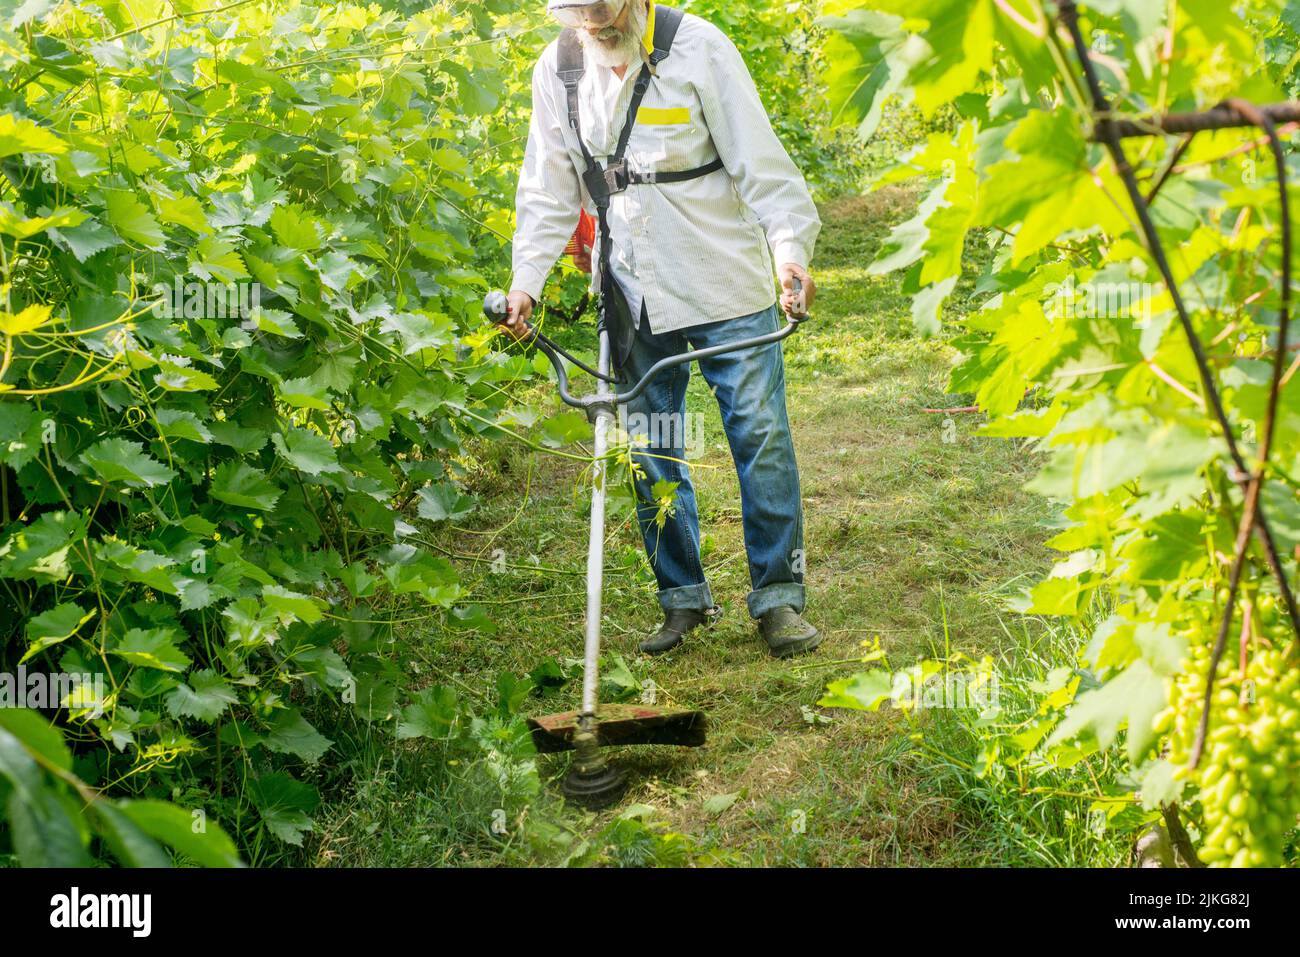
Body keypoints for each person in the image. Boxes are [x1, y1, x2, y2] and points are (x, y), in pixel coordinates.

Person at [504, 0, 822, 658]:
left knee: (759, 436)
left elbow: (764, 168)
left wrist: (789, 253)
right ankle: (682, 597)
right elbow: (547, 187)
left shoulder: (700, 49)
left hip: (723, 280)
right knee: (652, 446)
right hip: (633, 289)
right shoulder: (560, 67)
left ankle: (778, 597)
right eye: (579, 12)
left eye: (602, 8)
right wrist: (525, 282)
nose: (593, 24)